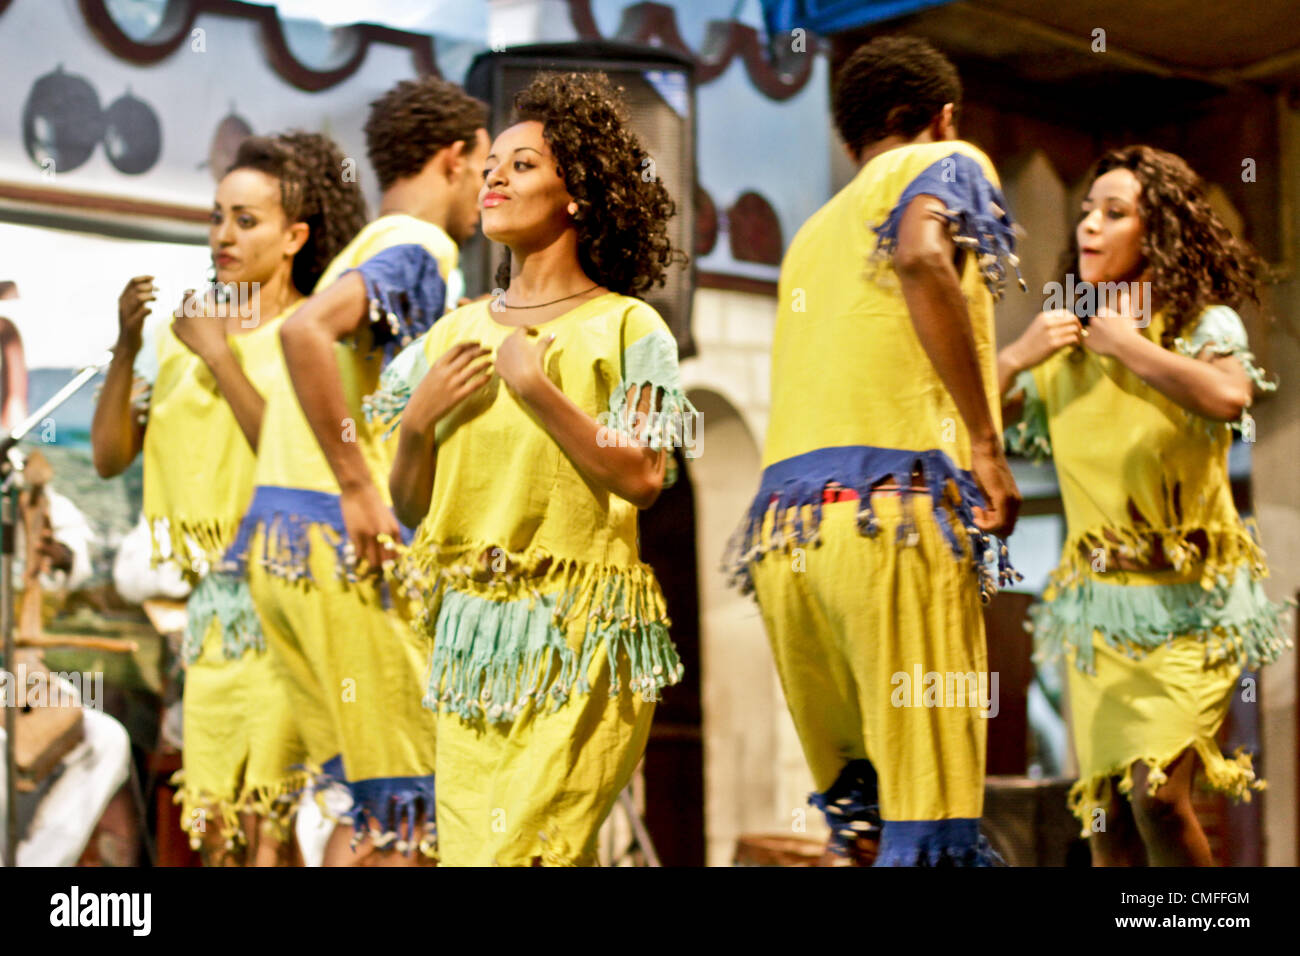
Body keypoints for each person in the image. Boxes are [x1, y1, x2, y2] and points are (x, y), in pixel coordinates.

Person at [341, 71, 691, 866]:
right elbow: (411, 505)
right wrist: (420, 424)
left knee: (529, 853)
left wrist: (537, 387)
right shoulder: (450, 332)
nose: (494, 177)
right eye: (491, 163)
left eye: (522, 164)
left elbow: (642, 476)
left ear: (580, 193)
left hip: (580, 635)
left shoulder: (629, 325)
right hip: (470, 645)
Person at [724, 36, 1022, 866]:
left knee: (867, 829)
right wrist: (987, 444)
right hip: (892, 529)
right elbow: (924, 253)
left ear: (849, 136)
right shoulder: (950, 159)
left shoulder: (812, 233)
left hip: (790, 545)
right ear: (942, 118)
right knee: (931, 832)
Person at [999, 145, 1291, 866]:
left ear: (1156, 231)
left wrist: (1127, 345)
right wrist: (1014, 355)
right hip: (1100, 610)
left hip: (1193, 605)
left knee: (1157, 795)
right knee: (1105, 817)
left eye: (1114, 212)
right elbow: (960, 420)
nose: (1089, 228)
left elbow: (1229, 396)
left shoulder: (1203, 327)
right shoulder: (1062, 349)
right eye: (1086, 214)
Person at [226, 76, 489, 865]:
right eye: (486, 165)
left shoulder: (365, 246)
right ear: (454, 157)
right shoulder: (421, 247)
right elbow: (304, 333)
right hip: (344, 544)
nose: (490, 186)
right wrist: (358, 484)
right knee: (412, 805)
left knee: (376, 803)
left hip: (282, 548)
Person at [91, 130, 367, 865]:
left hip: (289, 592)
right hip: (214, 609)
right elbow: (112, 455)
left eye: (247, 220)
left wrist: (219, 352)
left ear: (294, 236)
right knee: (217, 827)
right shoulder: (183, 334)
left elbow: (295, 452)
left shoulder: (312, 332)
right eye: (217, 216)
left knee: (272, 824)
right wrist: (127, 348)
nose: (223, 235)